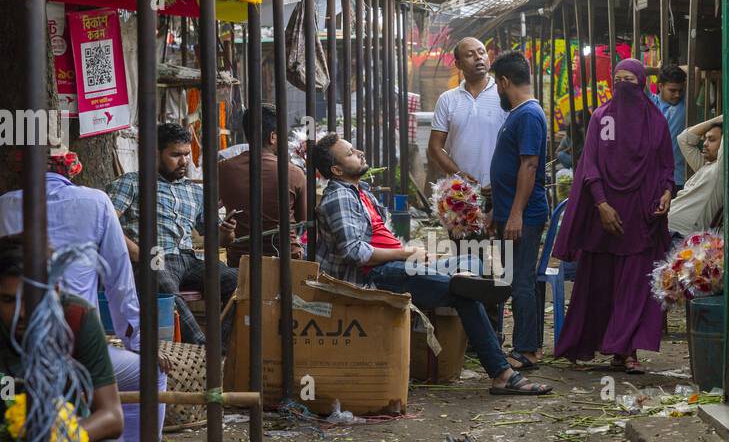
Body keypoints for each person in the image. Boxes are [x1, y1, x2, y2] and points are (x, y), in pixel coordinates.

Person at [0, 150, 184, 442]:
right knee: (148, 374)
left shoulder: (6, 203)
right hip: (69, 352)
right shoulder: (95, 202)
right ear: (70, 171)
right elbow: (118, 280)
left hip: (56, 356)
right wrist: (139, 341)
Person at [314, 133, 551, 398]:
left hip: (399, 264)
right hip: (375, 276)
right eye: (349, 153)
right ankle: (503, 373)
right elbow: (355, 253)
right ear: (336, 170)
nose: (358, 152)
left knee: (470, 260)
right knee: (466, 294)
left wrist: (414, 255)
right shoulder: (338, 198)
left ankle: (466, 280)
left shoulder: (361, 192)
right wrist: (404, 254)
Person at [553, 58, 674, 375]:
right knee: (600, 285)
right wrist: (602, 205)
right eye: (617, 79)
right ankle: (589, 344)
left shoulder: (656, 121)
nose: (623, 86)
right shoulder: (600, 117)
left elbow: (665, 166)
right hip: (604, 216)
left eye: (629, 80)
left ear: (642, 84)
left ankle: (626, 351)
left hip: (641, 215)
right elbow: (589, 166)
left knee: (635, 285)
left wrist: (666, 193)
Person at [107, 123, 237, 346]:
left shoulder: (195, 191)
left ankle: (222, 345)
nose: (184, 161)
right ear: (154, 153)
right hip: (154, 256)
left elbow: (218, 240)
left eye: (187, 154)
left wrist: (226, 232)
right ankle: (202, 347)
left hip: (190, 259)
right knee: (161, 279)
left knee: (242, 280)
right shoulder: (132, 183)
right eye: (176, 155)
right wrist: (135, 250)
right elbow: (106, 221)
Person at [0, 235, 123, 442]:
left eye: (31, 299)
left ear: (55, 292)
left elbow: (111, 416)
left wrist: (53, 440)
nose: (21, 313)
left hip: (64, 438)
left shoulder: (77, 317)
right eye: (9, 300)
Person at [488, 51, 549, 371]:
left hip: (524, 215)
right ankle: (529, 345)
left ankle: (526, 349)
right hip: (511, 211)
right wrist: (496, 211)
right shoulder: (519, 114)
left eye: (496, 84)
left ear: (504, 81)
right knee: (514, 277)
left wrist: (514, 214)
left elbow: (529, 165)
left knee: (520, 279)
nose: (497, 91)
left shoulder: (527, 115)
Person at [218, 104, 307, 268]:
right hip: (286, 260)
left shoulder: (223, 168)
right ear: (273, 137)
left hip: (240, 261)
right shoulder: (294, 173)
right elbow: (303, 221)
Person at [428, 37, 506, 189]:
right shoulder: (447, 99)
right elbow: (435, 147)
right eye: (470, 55)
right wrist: (459, 174)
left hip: (500, 189)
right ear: (458, 64)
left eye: (481, 53)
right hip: (461, 194)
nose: (478, 58)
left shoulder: (503, 94)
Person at [668, 114, 724, 240]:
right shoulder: (705, 166)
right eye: (705, 139)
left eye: (712, 140)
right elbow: (683, 139)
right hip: (666, 229)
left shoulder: (719, 171)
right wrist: (717, 120)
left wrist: (725, 119)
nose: (704, 144)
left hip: (680, 235)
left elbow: (684, 139)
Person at [651, 63, 688, 189]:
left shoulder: (683, 104)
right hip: (653, 177)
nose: (677, 94)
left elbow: (695, 70)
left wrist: (668, 68)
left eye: (680, 90)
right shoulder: (650, 101)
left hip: (678, 177)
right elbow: (635, 71)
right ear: (660, 86)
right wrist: (658, 70)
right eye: (672, 90)